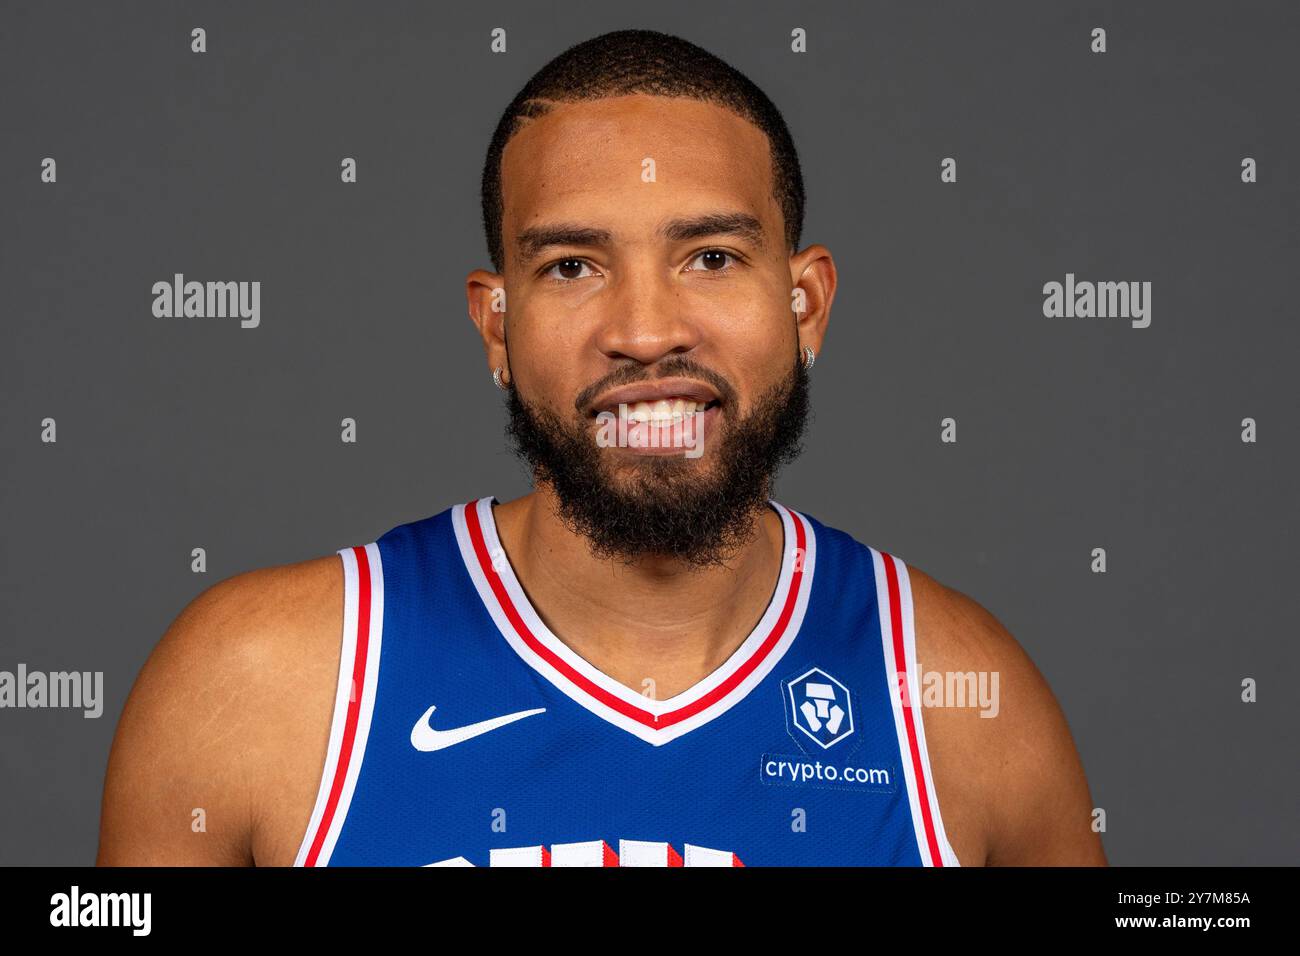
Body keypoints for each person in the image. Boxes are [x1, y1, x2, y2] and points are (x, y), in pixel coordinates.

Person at [97, 28, 1106, 867]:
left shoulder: (961, 707)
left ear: (806, 304)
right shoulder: (256, 683)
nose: (646, 328)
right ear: (496, 325)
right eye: (573, 264)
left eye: (709, 257)